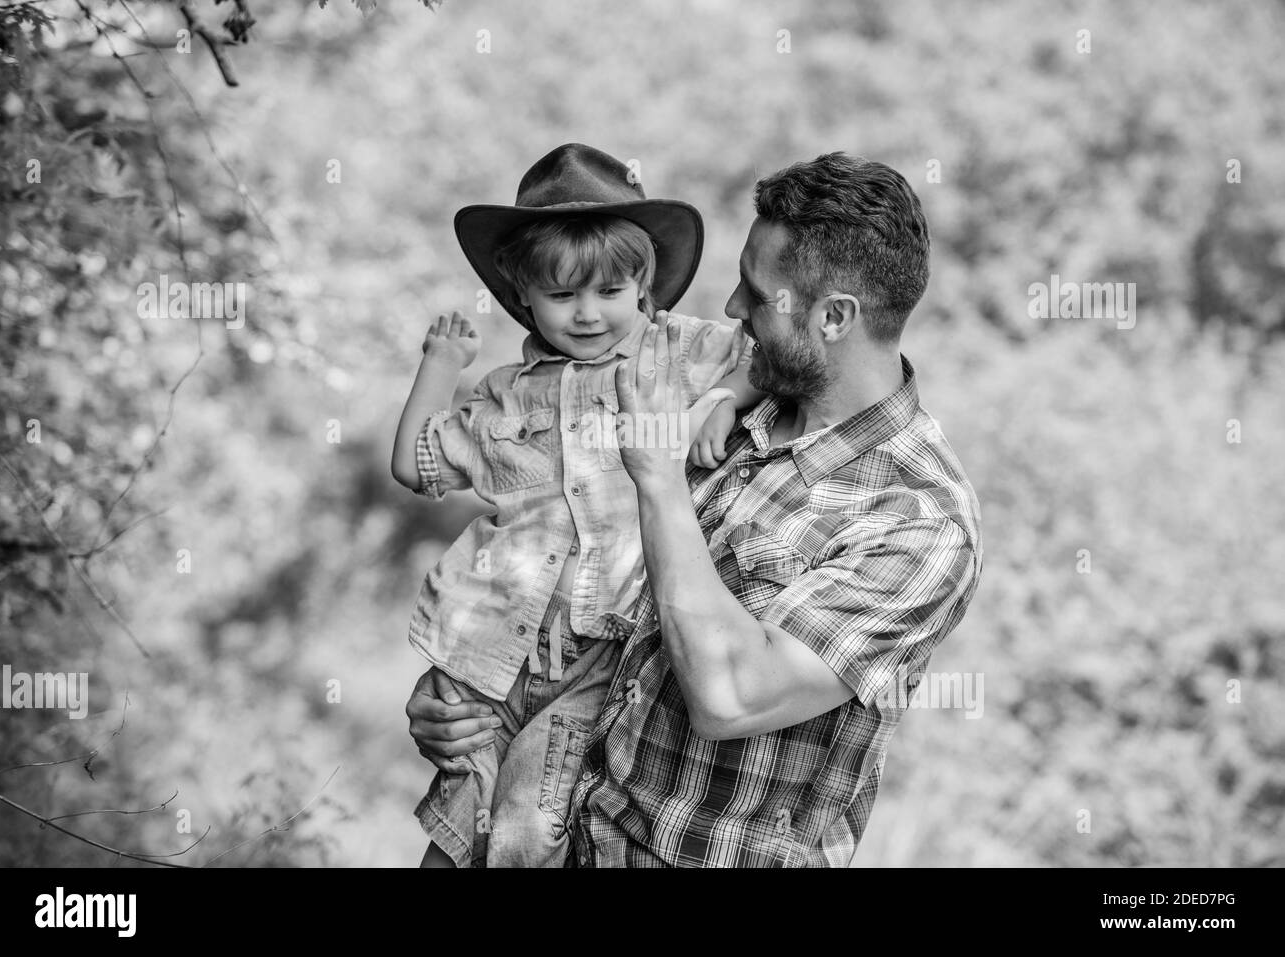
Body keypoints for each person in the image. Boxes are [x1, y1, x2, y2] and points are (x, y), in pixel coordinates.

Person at [408, 152, 983, 867]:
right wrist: (472, 702)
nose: (732, 310)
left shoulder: (916, 517)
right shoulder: (727, 403)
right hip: (570, 830)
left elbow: (729, 696)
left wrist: (658, 480)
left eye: (753, 291)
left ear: (834, 317)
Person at [391, 143, 763, 867]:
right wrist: (438, 368)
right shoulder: (506, 393)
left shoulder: (677, 355)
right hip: (489, 645)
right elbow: (416, 464)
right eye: (562, 297)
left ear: (644, 284)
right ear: (522, 293)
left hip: (597, 650)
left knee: (528, 829)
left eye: (609, 292)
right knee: (452, 832)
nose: (588, 314)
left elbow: (770, 354)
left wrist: (719, 403)